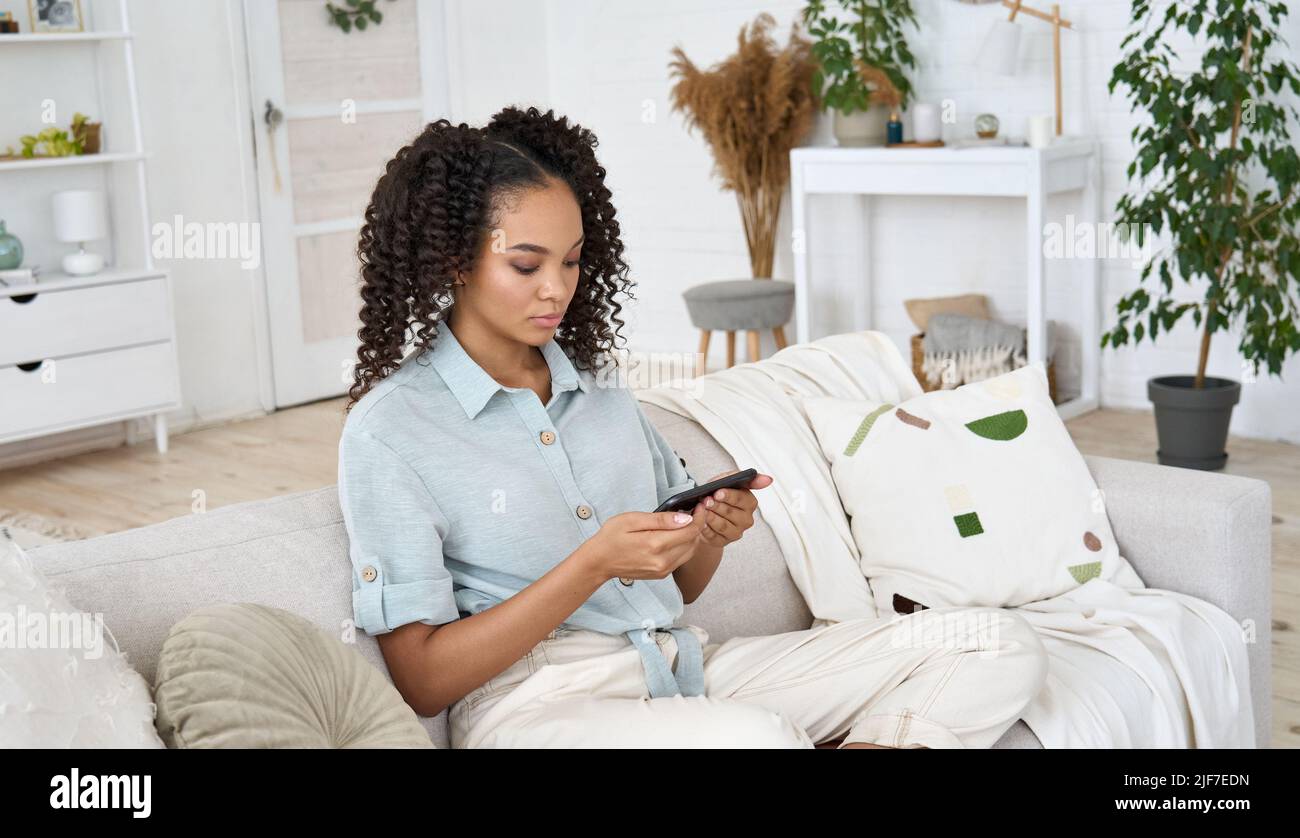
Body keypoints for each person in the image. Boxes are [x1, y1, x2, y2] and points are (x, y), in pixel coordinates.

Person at [337, 105, 1049, 748]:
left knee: (994, 641)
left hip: (684, 665)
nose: (557, 288)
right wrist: (591, 565)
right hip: (539, 705)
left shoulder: (603, 387)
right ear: (453, 260)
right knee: (758, 739)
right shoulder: (391, 431)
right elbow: (422, 680)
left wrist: (706, 532)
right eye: (526, 264)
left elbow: (679, 589)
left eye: (575, 260)